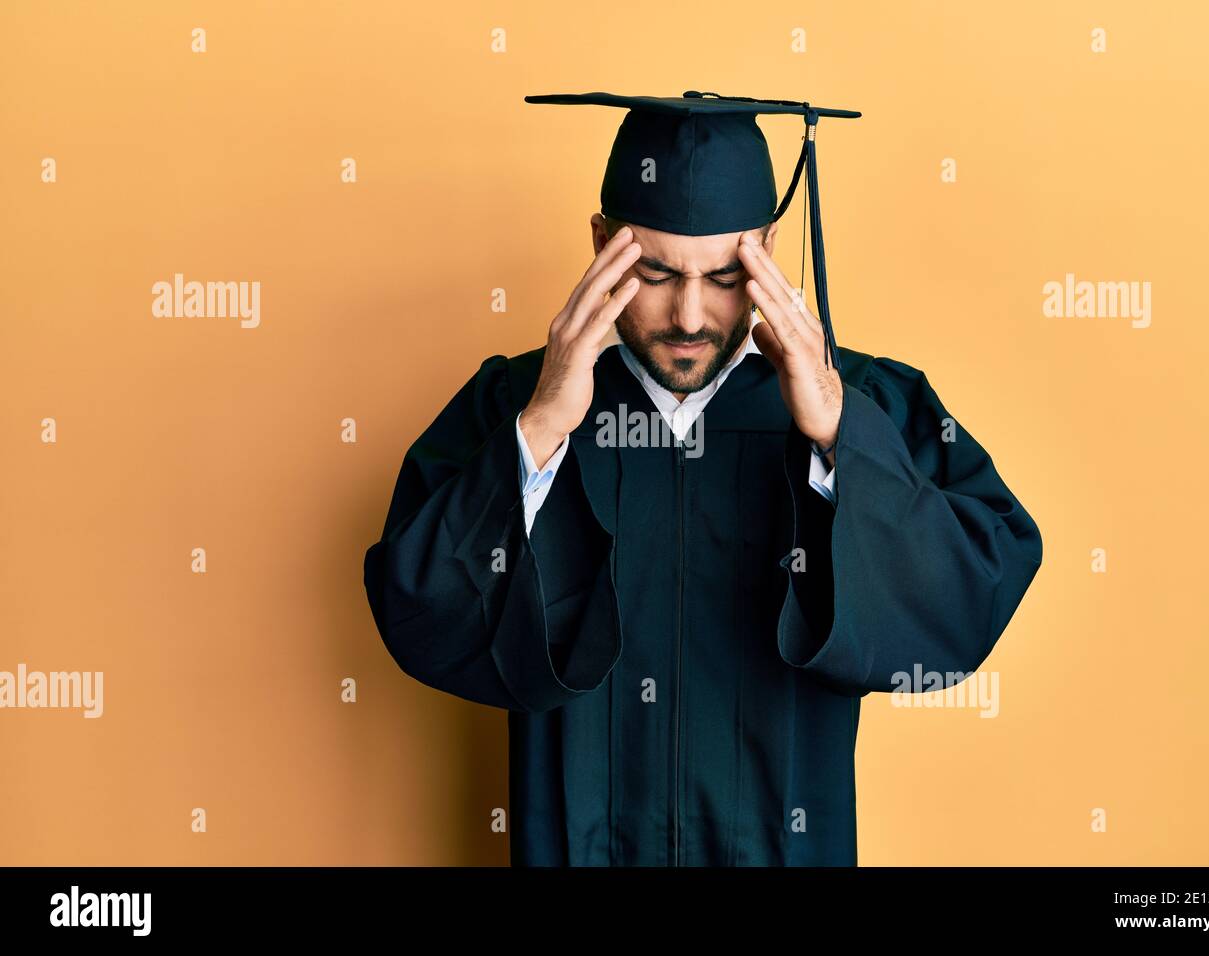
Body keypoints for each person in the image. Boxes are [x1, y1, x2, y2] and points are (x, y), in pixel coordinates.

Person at [362, 91, 1044, 866]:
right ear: (601, 243)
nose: (689, 315)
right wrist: (542, 427)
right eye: (655, 272)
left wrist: (839, 441)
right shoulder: (514, 401)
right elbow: (416, 609)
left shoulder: (867, 402)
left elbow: (972, 594)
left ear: (768, 252)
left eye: (724, 276)